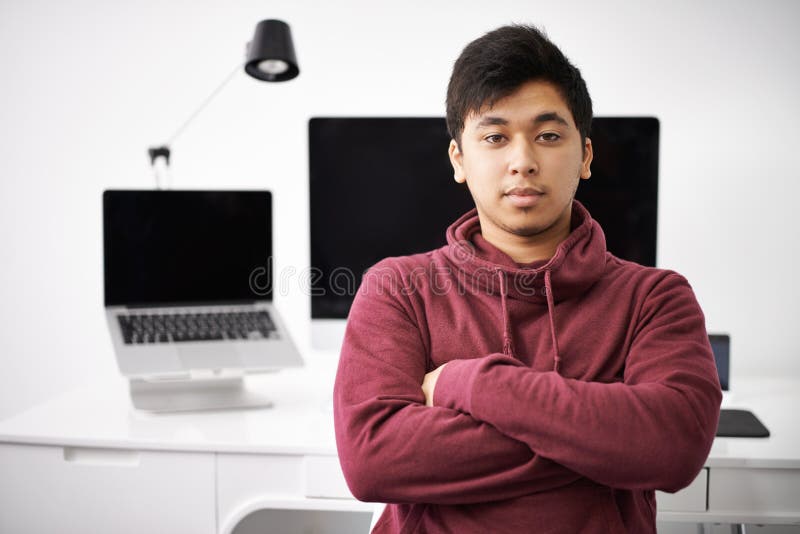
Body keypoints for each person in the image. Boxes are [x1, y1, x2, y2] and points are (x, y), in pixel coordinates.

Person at [333, 23, 721, 533]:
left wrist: (463, 382)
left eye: (548, 136)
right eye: (495, 137)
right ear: (459, 159)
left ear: (584, 156)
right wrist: (602, 439)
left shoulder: (655, 297)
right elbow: (372, 461)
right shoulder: (398, 287)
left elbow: (671, 447)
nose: (523, 161)